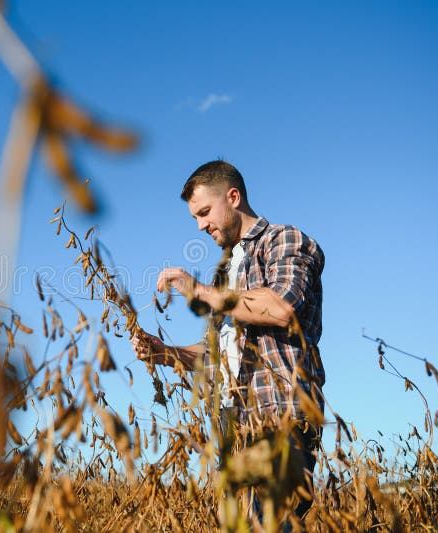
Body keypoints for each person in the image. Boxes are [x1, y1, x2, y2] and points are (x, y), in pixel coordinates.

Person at [131, 159, 325, 523]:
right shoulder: (228, 271)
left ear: (233, 197)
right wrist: (165, 352)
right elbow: (218, 355)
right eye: (195, 218)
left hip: (280, 418)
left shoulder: (285, 240)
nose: (201, 225)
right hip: (234, 427)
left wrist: (199, 290)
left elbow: (280, 306)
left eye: (205, 212)